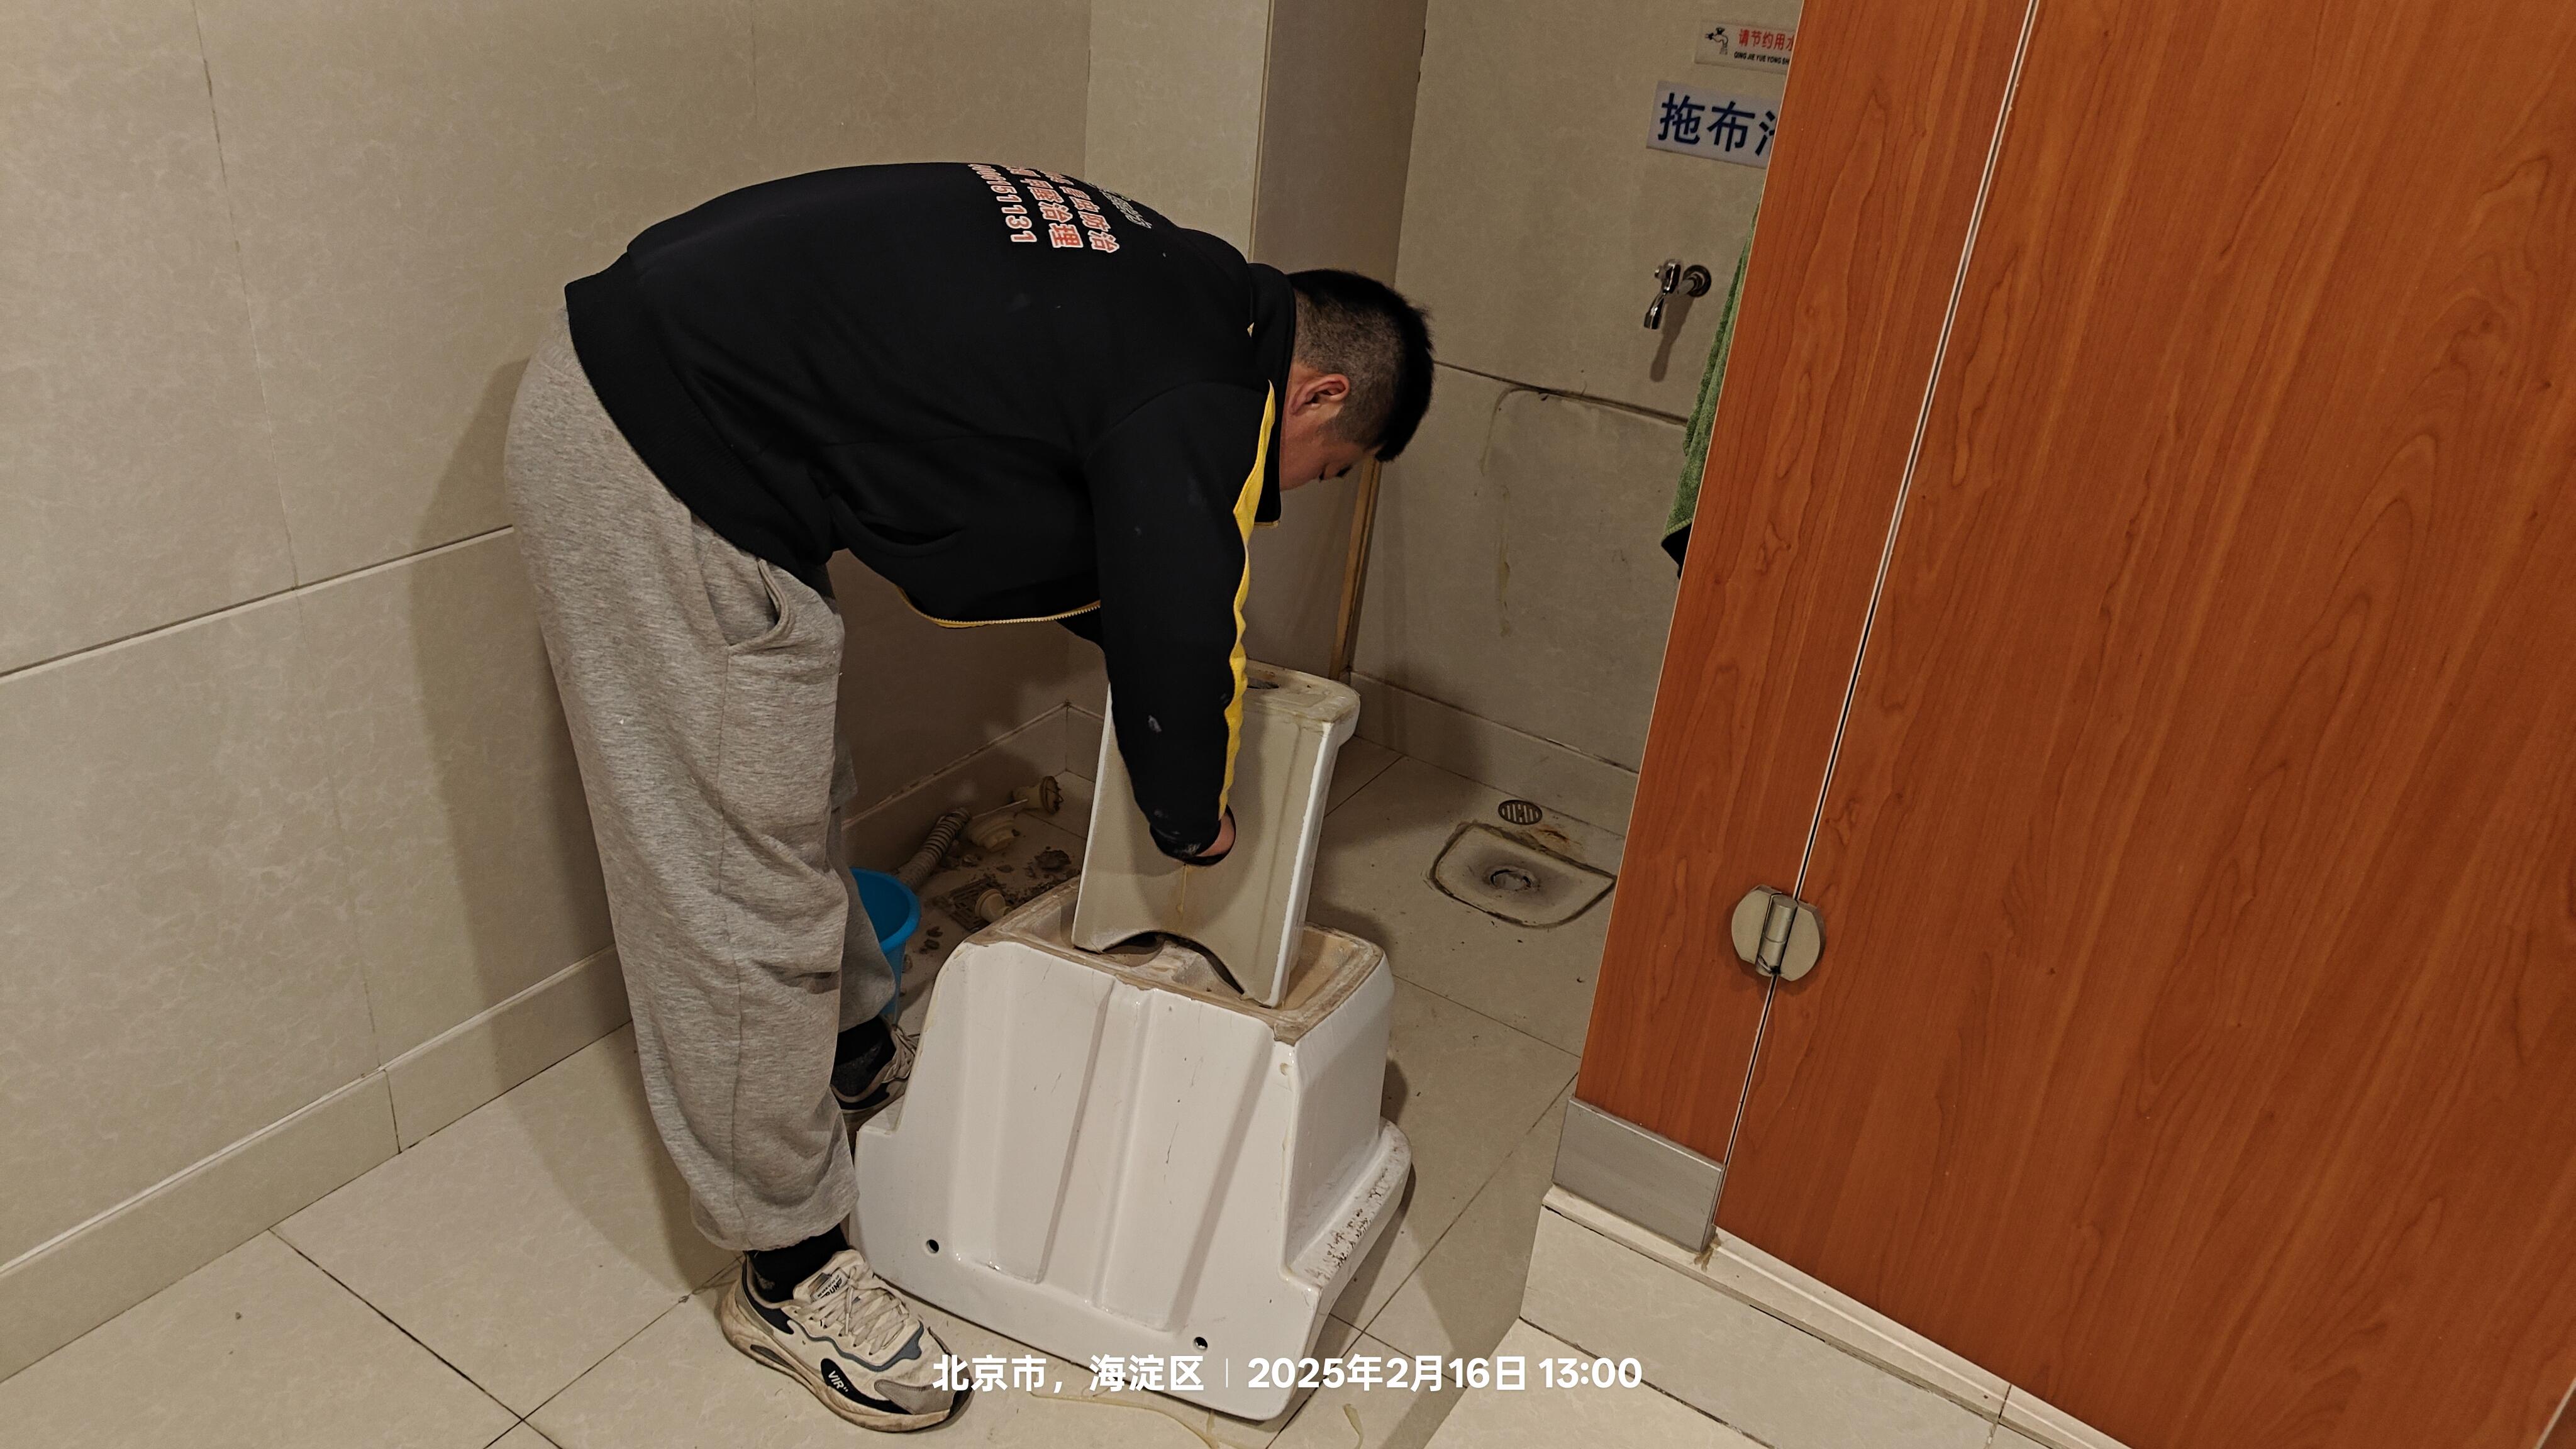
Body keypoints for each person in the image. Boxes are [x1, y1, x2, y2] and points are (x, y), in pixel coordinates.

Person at [500, 160, 1433, 1432]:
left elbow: (1090, 517)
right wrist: (1196, 819)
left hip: (683, 394)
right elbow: (1176, 604)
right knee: (732, 884)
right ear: (1317, 392)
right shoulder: (1208, 391)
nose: (1298, 491)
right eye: (1328, 468)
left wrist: (1168, 669)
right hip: (649, 441)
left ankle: (846, 1051)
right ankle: (786, 1264)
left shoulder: (1179, 293)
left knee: (784, 795)